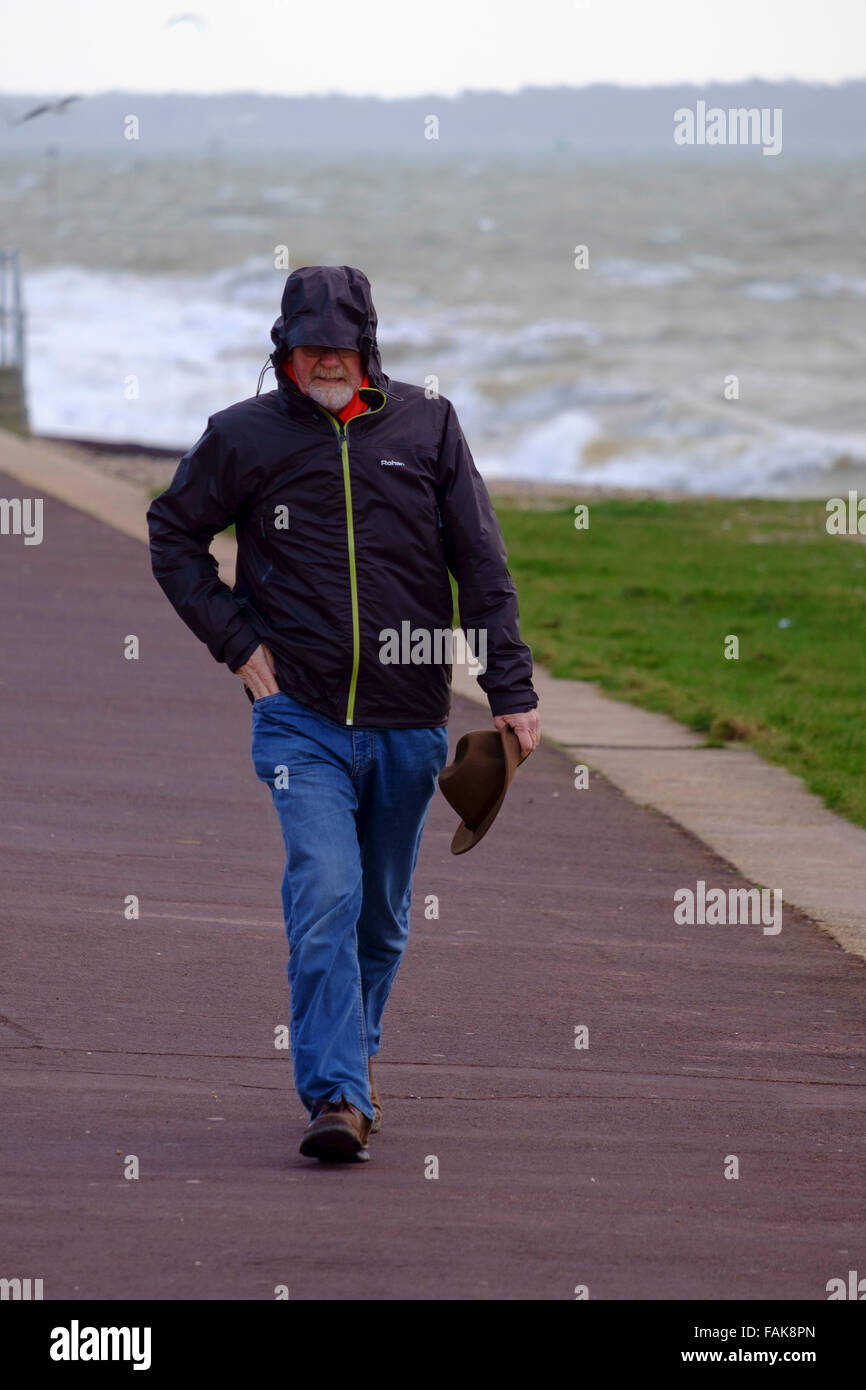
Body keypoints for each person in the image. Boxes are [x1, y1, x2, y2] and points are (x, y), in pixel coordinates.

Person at [147, 264, 540, 1163]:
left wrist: (511, 693)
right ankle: (336, 1096)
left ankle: (348, 1072)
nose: (326, 361)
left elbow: (481, 566)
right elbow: (174, 534)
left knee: (381, 920)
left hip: (410, 720)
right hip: (301, 720)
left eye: (342, 346)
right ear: (283, 352)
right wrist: (239, 646)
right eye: (309, 346)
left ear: (368, 350)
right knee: (325, 892)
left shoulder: (428, 427)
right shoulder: (242, 437)